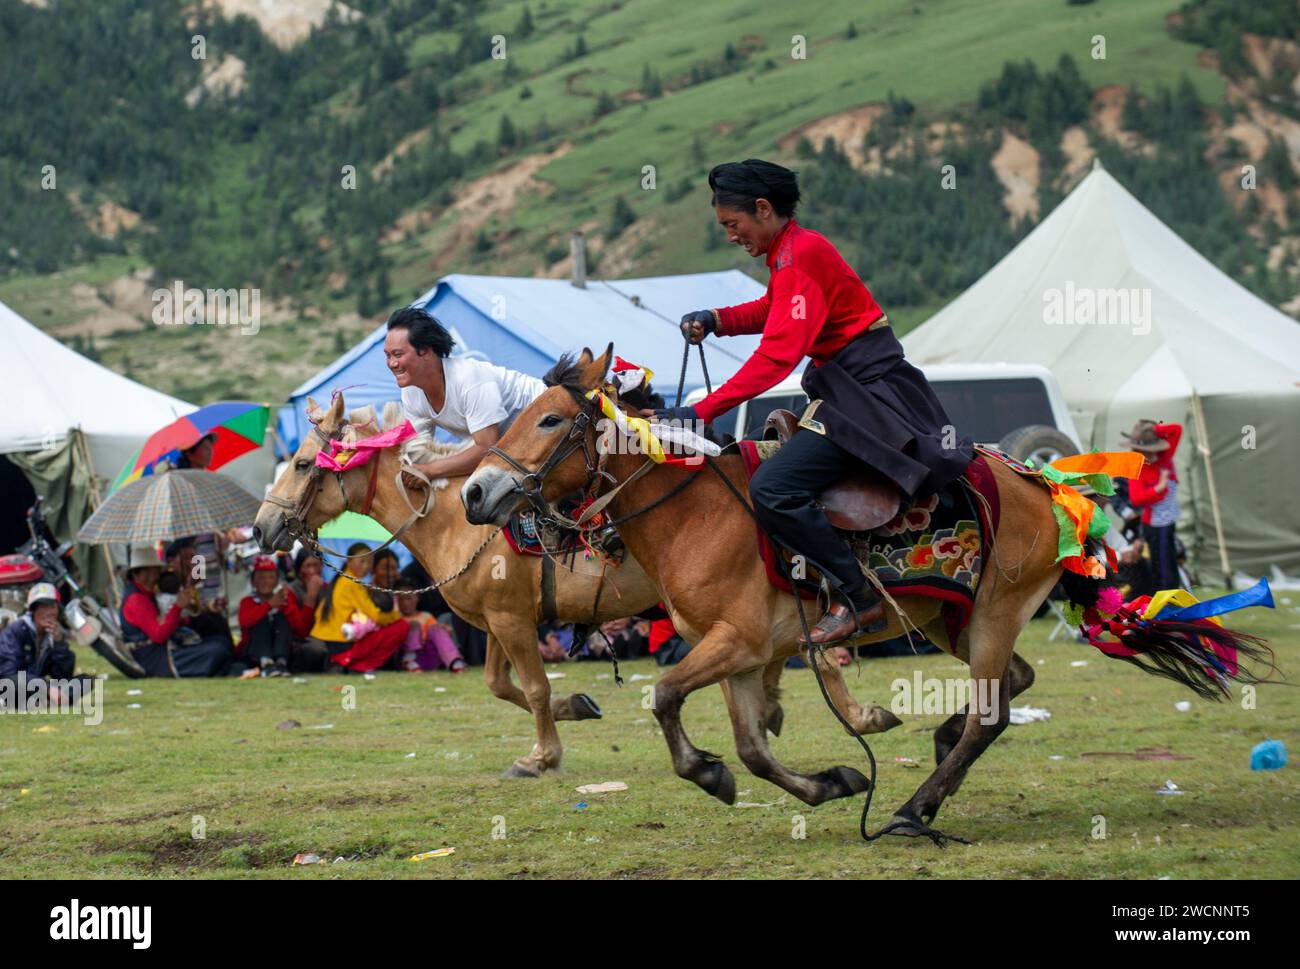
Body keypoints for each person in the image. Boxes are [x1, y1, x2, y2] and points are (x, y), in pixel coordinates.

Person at [653, 159, 972, 644]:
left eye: (732, 224)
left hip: (866, 394)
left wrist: (701, 411)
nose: (731, 235)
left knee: (774, 489)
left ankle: (858, 598)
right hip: (847, 387)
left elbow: (778, 356)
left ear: (763, 209)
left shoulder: (799, 256)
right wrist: (719, 318)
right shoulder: (791, 254)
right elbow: (772, 310)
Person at [383, 305, 547, 487]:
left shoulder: (469, 379)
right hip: (512, 444)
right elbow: (418, 451)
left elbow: (488, 449)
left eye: (397, 354)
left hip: (546, 417)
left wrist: (430, 470)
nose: (391, 363)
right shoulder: (411, 392)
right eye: (388, 356)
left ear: (427, 351)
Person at [119, 545, 235, 677]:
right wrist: (178, 607)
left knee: (219, 640)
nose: (156, 577)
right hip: (156, 659)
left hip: (161, 651)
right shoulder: (136, 600)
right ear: (138, 574)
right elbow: (159, 635)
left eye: (156, 572)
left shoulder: (146, 594)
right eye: (152, 573)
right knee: (218, 649)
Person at [307, 543, 408, 672]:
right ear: (349, 561)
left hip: (328, 638)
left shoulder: (343, 579)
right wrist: (395, 616)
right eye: (362, 561)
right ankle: (352, 662)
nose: (366, 566)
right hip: (340, 642)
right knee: (401, 626)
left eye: (370, 562)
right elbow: (376, 616)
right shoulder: (352, 583)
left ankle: (355, 663)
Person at [1123, 420, 1184, 592]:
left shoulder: (1164, 457)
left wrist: (1152, 430)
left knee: (1170, 563)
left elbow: (1176, 430)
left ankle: (1172, 599)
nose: (1150, 454)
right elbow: (1136, 499)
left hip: (1169, 522)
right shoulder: (1137, 469)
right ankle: (1164, 603)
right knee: (1162, 569)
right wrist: (1159, 487)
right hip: (1155, 525)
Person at [237, 556, 316, 676]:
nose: (266, 581)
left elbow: (301, 630)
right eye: (261, 577)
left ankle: (280, 662)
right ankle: (267, 663)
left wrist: (285, 607)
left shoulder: (285, 599)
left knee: (280, 617)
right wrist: (268, 605)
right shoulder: (247, 601)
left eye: (271, 577)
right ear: (253, 581)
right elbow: (245, 622)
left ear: (277, 581)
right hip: (253, 652)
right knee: (260, 620)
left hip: (283, 651)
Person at [0, 583, 77, 691]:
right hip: (12, 685)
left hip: (35, 686)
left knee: (83, 682)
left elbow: (63, 676)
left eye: (52, 607)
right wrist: (46, 688)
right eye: (42, 607)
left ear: (58, 611)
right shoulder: (16, 631)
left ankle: (46, 699)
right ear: (32, 610)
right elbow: (8, 673)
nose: (48, 612)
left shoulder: (53, 635)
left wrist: (59, 643)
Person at [394, 578, 467, 672]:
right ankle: (410, 660)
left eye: (409, 598)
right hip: (405, 657)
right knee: (414, 625)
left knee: (437, 629)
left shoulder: (426, 616)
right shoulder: (396, 618)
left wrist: (445, 631)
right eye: (401, 599)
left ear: (417, 597)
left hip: (429, 655)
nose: (405, 603)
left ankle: (454, 661)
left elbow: (438, 635)